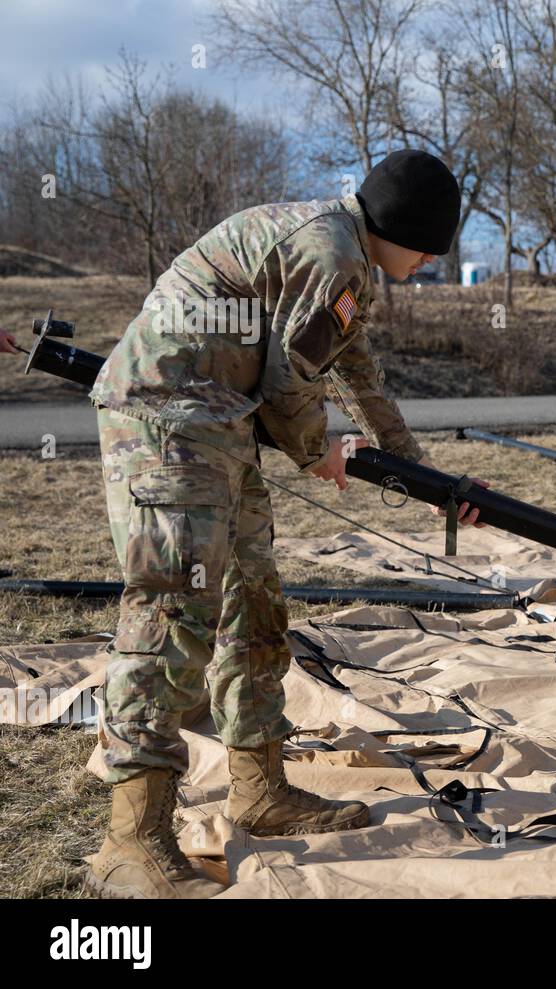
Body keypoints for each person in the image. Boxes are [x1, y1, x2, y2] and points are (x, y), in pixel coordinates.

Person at [66, 149, 480, 898]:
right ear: (407, 229)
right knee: (173, 611)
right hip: (167, 417)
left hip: (216, 420)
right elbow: (294, 385)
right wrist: (318, 447)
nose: (428, 262)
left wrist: (427, 477)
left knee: (253, 602)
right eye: (430, 246)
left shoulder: (347, 256)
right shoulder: (329, 251)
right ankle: (131, 839)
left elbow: (357, 373)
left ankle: (258, 786)